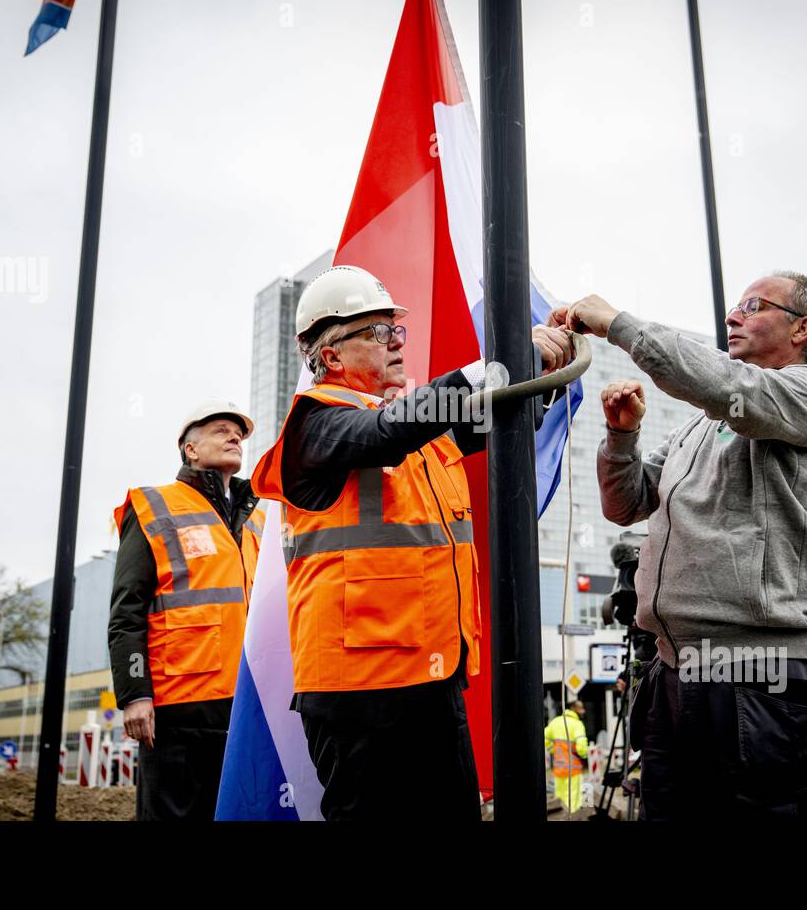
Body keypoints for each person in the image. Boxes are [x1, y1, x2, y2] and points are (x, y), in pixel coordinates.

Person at [251, 264, 573, 820]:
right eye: (379, 333)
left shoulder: (409, 430)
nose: (397, 343)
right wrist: (497, 366)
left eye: (397, 331)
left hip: (431, 677)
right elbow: (388, 432)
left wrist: (539, 366)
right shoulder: (315, 425)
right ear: (331, 357)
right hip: (359, 695)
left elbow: (495, 418)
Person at [561, 273, 807, 820]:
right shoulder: (700, 426)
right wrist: (621, 438)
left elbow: (728, 386)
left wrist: (616, 324)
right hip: (676, 671)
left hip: (761, 674)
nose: (732, 316)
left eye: (753, 305)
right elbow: (627, 504)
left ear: (802, 329)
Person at [108, 401, 265, 821]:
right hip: (177, 705)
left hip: (242, 701)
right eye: (221, 430)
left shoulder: (256, 519)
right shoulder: (153, 506)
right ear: (190, 449)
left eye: (239, 433)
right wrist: (135, 694)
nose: (234, 437)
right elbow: (127, 609)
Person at [544, 700, 590, 814]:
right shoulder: (577, 724)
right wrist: (585, 755)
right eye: (581, 708)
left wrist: (552, 750)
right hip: (573, 768)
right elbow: (581, 747)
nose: (583, 711)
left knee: (560, 799)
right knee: (573, 800)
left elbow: (544, 737)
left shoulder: (556, 722)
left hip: (559, 767)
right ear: (575, 709)